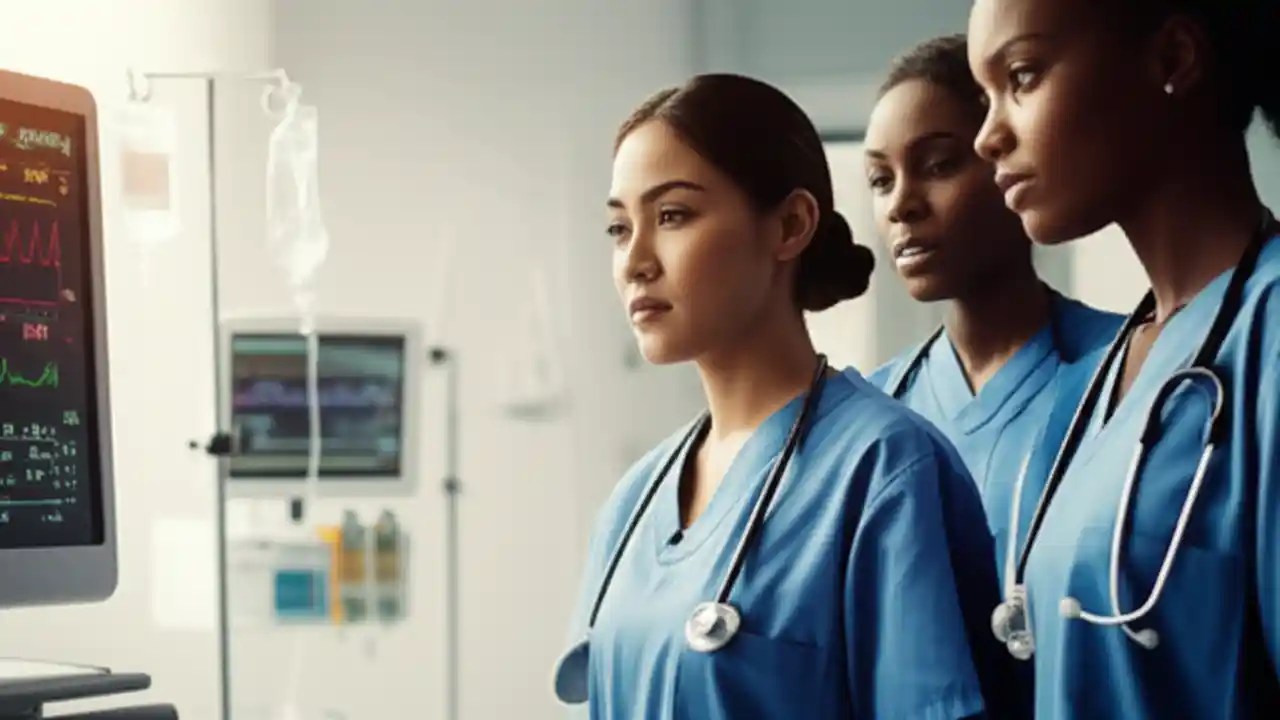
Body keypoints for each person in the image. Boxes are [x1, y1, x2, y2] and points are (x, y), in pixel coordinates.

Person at [554, 73, 1020, 719]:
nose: (635, 259)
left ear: (790, 225)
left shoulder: (884, 470)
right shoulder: (635, 500)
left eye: (672, 216)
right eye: (617, 228)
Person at [967, 0, 1280, 716]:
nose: (987, 136)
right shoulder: (1101, 379)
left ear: (1172, 58)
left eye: (1022, 76)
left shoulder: (1268, 334)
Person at [863, 34, 1123, 578]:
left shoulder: (1130, 370)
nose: (900, 205)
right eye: (881, 180)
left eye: (937, 165)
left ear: (1008, 156)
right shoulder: (870, 413)